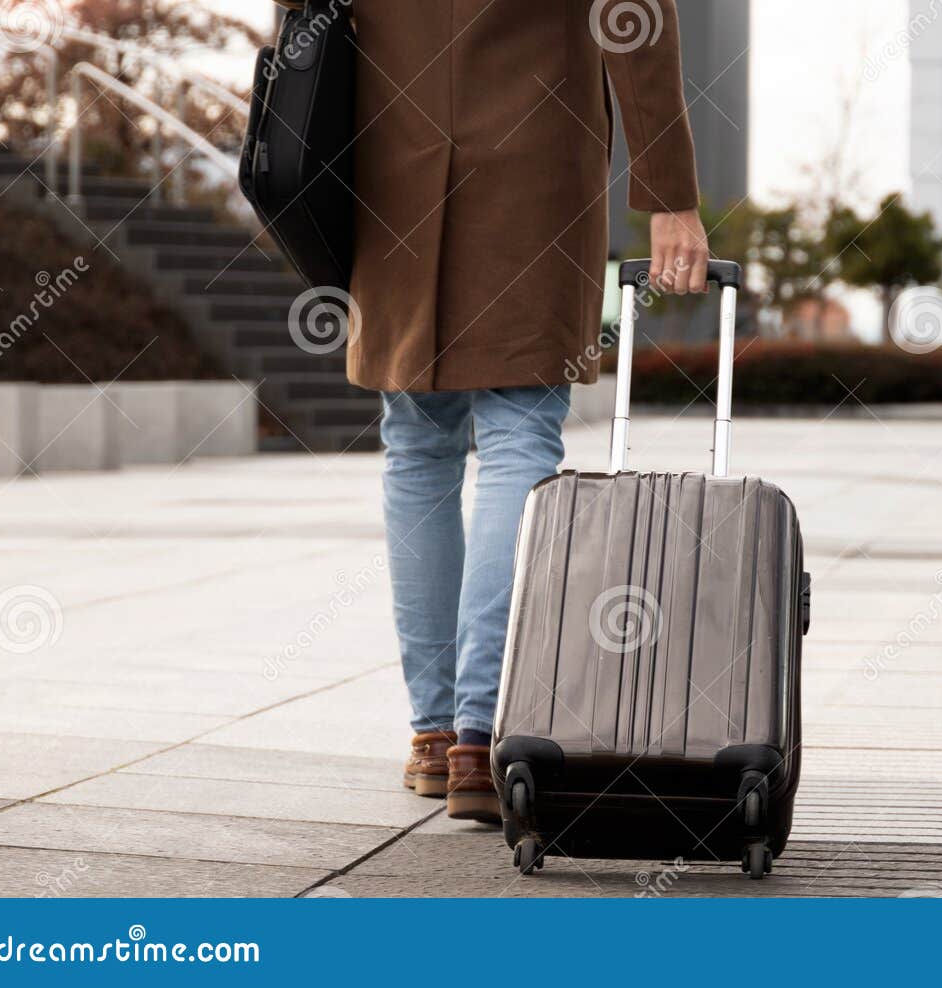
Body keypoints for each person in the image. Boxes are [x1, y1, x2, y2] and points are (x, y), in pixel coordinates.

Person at [269, 0, 710, 822]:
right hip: (534, 158)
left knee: (418, 444)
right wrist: (669, 193)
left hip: (389, 153)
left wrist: (290, 143)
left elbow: (306, 17)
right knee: (517, 430)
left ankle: (435, 736)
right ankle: (482, 734)